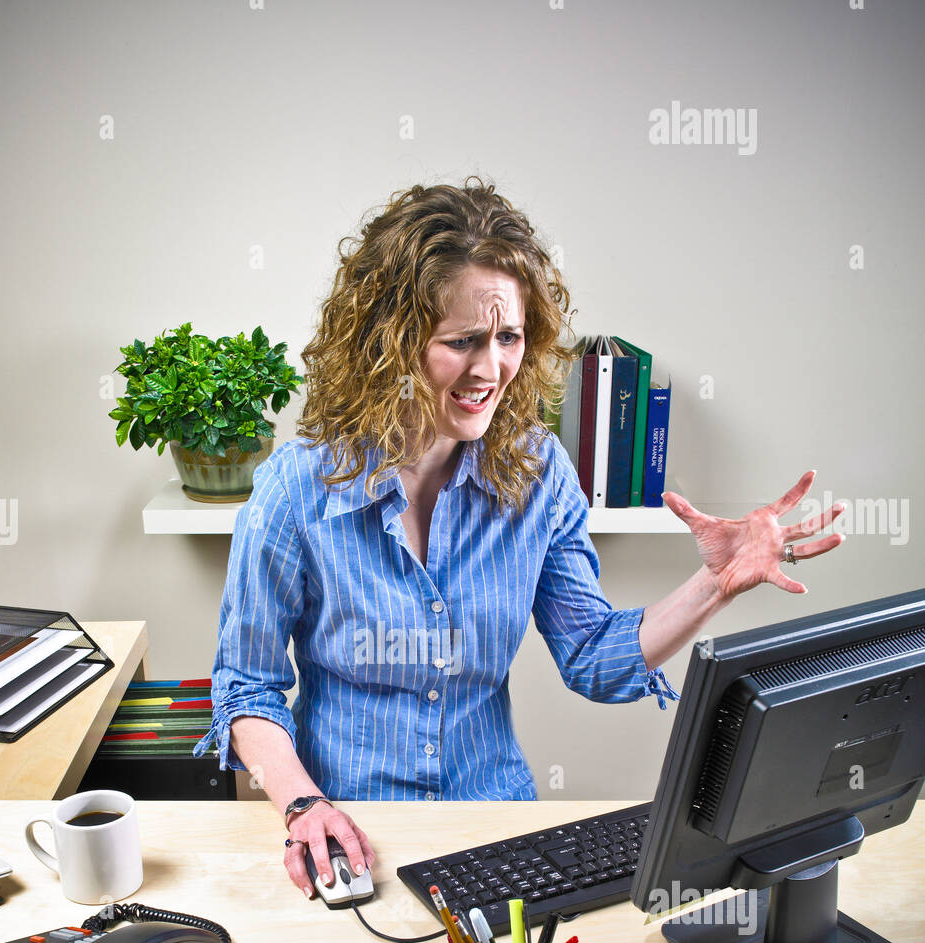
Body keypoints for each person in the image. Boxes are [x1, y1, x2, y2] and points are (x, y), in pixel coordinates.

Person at [193, 178, 844, 899]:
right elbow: (246, 686)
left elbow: (594, 657)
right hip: (347, 830)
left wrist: (714, 586)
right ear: (388, 342)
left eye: (508, 337)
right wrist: (303, 805)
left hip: (493, 824)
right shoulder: (296, 492)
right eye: (461, 342)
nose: (490, 369)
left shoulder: (537, 474)